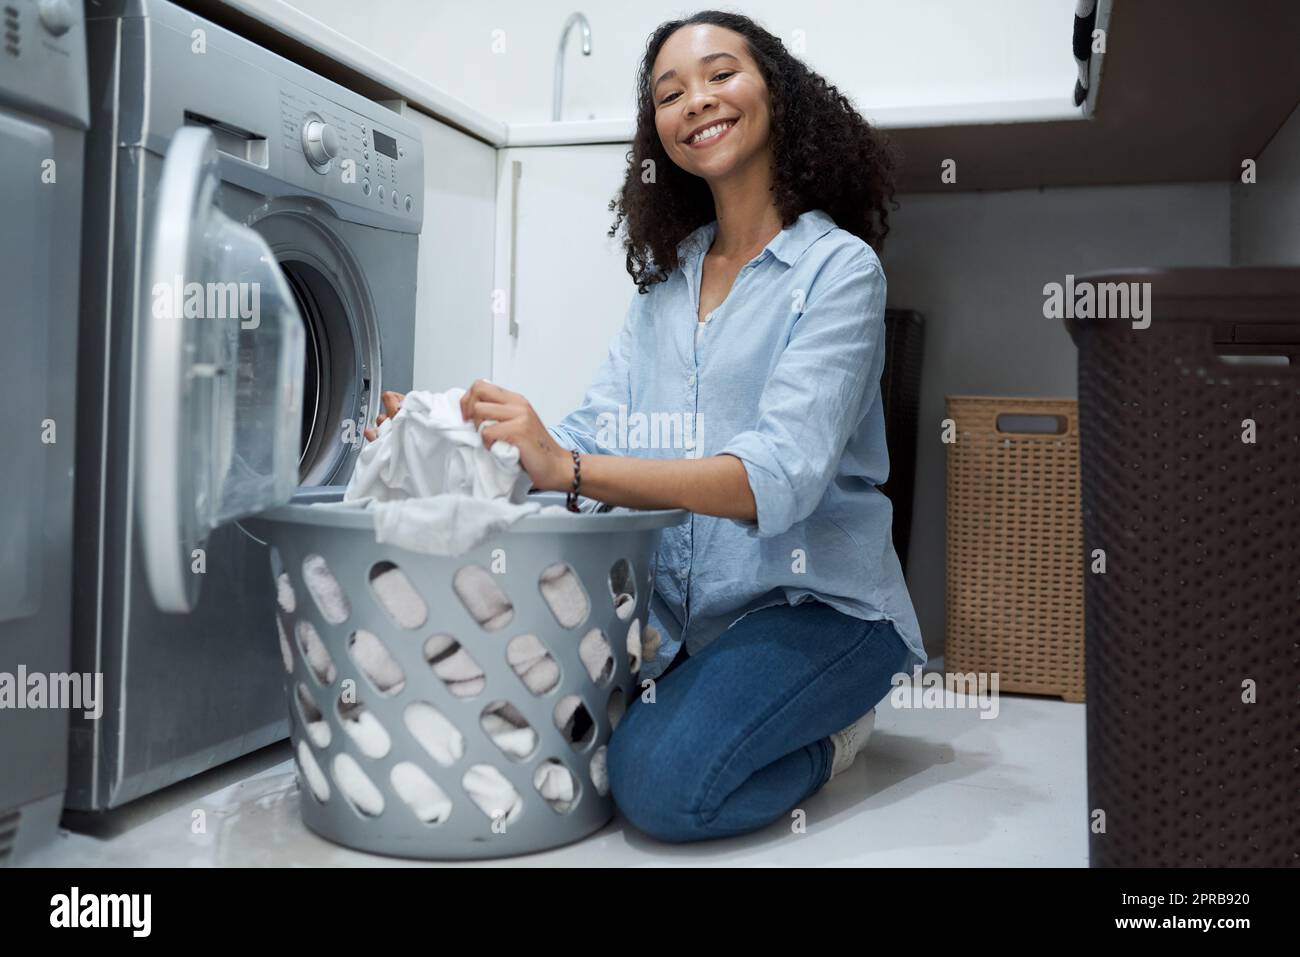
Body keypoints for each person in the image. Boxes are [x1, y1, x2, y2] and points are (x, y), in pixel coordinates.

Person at [367, 10, 926, 844]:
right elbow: (595, 430)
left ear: (777, 89)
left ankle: (839, 736)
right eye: (671, 93)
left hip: (821, 609)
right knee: (507, 705)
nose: (696, 100)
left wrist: (574, 468)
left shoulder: (838, 271)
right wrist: (451, 430)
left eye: (721, 74)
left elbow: (778, 475)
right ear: (658, 129)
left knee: (658, 785)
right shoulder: (669, 284)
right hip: (684, 615)